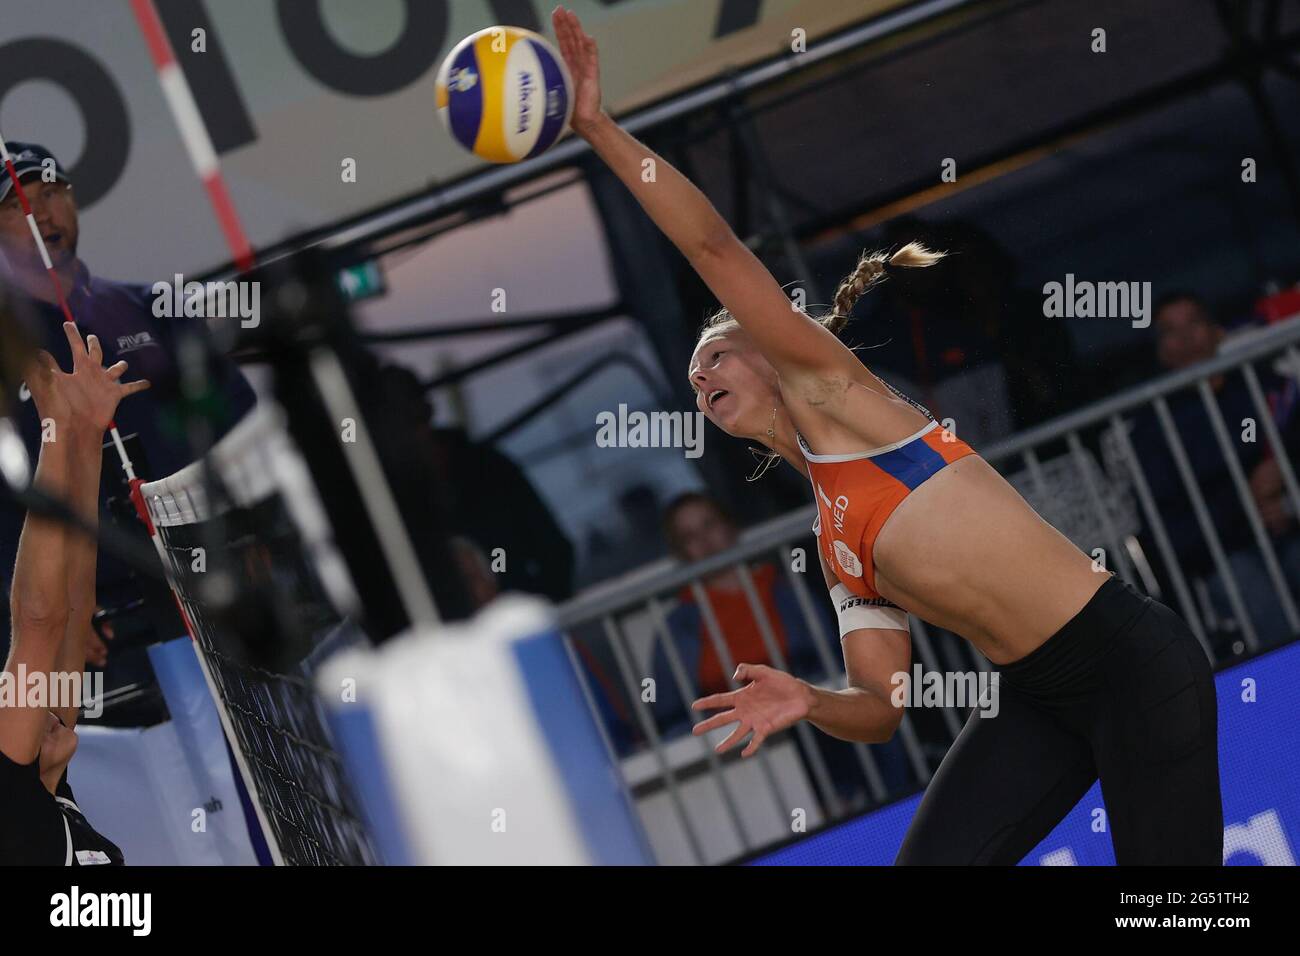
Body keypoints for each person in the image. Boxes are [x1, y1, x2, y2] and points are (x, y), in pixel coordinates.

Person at [552, 6, 1222, 865]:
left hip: (1130, 664)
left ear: (772, 348)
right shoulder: (835, 542)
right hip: (1036, 699)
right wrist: (808, 698)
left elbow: (713, 248)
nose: (702, 378)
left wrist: (600, 132)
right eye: (692, 379)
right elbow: (881, 703)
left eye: (716, 354)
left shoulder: (834, 391)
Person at [0, 142, 257, 683]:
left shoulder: (152, 309)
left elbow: (236, 431)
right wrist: (36, 611)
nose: (43, 213)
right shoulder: (8, 358)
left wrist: (255, 536)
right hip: (108, 641)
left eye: (52, 193)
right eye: (20, 205)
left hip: (223, 597)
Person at [652, 492, 911, 803]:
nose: (705, 540)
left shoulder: (784, 586)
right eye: (689, 536)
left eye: (709, 524)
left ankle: (885, 806)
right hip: (740, 739)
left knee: (844, 713)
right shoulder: (678, 624)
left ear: (729, 525)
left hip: (810, 716)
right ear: (681, 552)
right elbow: (669, 712)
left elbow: (835, 657)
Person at [1, 323, 148, 864]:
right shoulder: (35, 805)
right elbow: (51, 620)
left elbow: (64, 609)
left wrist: (81, 435)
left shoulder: (20, 808)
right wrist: (59, 430)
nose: (51, 709)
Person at [1130, 292, 1300, 648]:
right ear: (1161, 351)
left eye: (1194, 322)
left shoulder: (1259, 384)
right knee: (1264, 606)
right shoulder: (1151, 429)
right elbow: (1169, 534)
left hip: (1290, 529)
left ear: (1217, 331)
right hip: (1226, 557)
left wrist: (1286, 476)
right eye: (1171, 331)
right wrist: (1247, 506)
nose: (1188, 337)